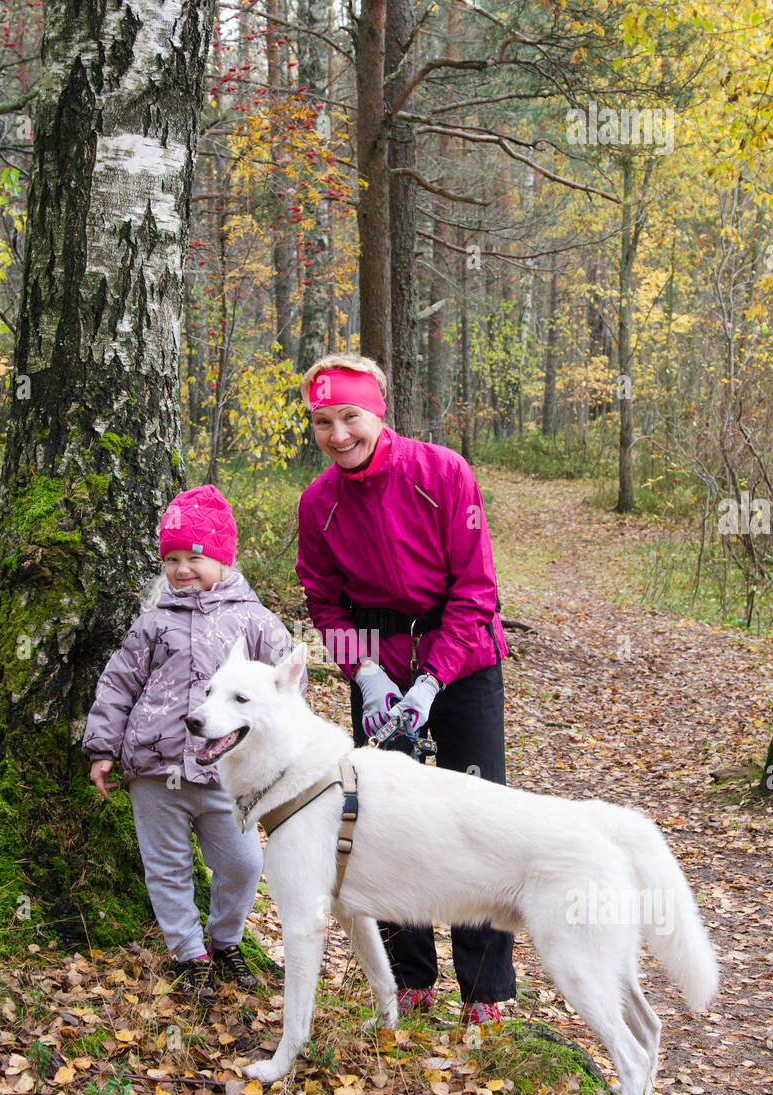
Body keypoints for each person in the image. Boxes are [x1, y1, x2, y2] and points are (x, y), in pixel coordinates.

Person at [295, 354, 515, 1024]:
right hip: (381, 677)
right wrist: (366, 675)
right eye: (323, 421)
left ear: (378, 410)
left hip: (462, 663)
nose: (338, 434)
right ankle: (410, 979)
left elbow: (475, 590)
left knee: (477, 818)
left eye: (349, 417)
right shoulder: (319, 503)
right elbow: (323, 600)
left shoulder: (442, 473)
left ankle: (487, 989)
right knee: (386, 827)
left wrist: (431, 682)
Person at [83, 485, 302, 1002]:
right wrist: (101, 748)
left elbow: (285, 687)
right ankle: (189, 954)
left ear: (223, 560)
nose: (183, 569)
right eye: (173, 559)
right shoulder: (154, 622)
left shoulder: (256, 622)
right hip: (155, 768)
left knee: (244, 863)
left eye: (196, 557)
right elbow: (118, 685)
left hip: (227, 773)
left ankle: (225, 941)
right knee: (168, 867)